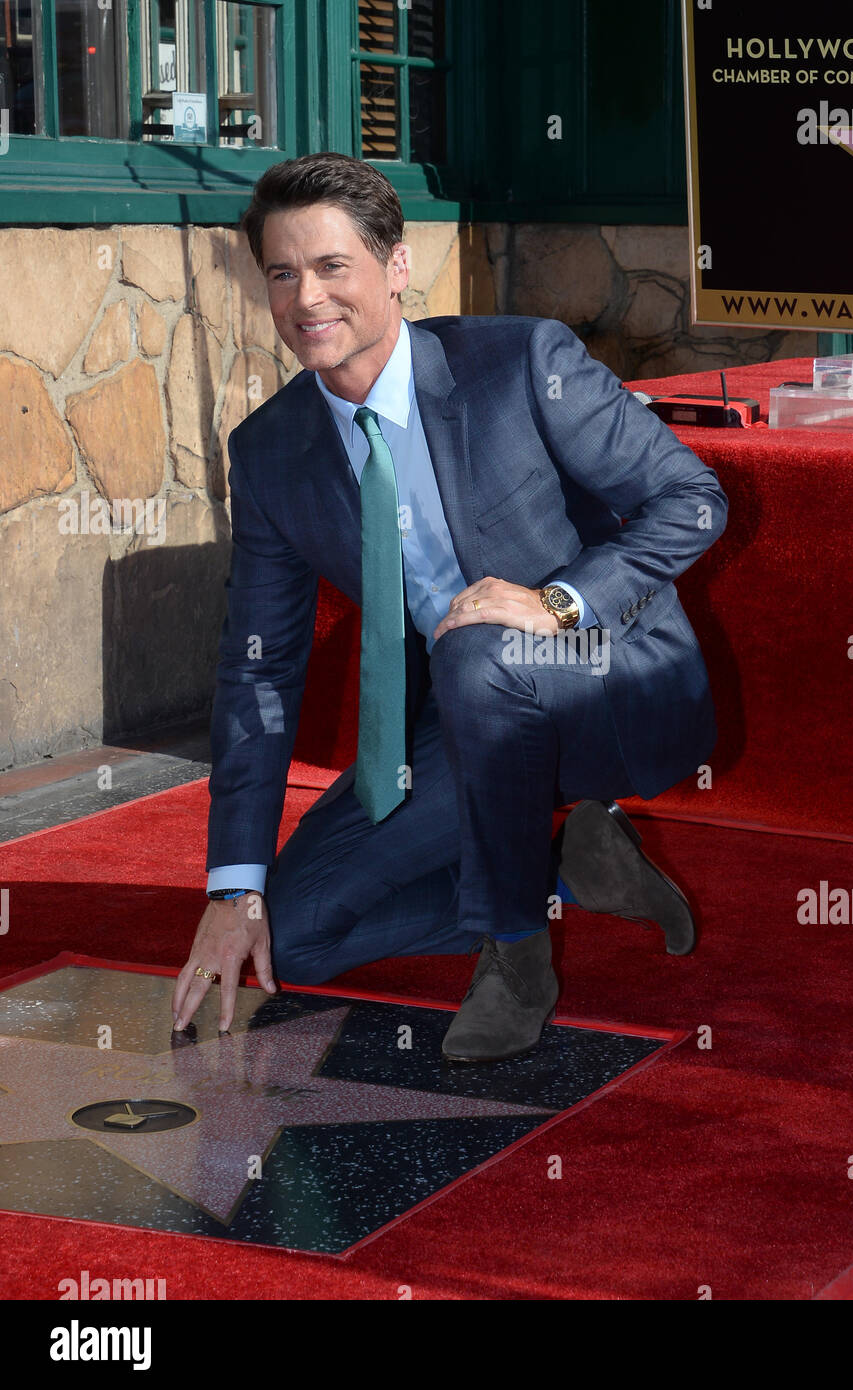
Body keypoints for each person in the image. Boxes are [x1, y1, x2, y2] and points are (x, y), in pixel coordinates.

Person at [171, 152, 727, 1062]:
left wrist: (561, 599)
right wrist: (234, 891)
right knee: (293, 936)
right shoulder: (271, 451)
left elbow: (694, 499)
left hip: (604, 679)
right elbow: (261, 665)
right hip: (463, 727)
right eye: (282, 272)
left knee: (477, 653)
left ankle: (517, 955)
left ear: (396, 268)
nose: (306, 297)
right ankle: (565, 874)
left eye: (332, 266)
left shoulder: (520, 362)